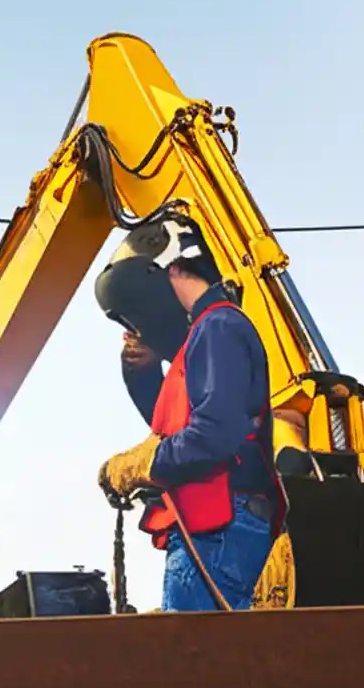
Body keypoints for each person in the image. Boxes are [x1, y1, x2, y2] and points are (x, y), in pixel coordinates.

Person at [98, 218, 285, 612]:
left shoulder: (217, 326)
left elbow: (213, 435)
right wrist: (142, 370)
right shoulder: (206, 333)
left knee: (198, 665)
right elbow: (172, 425)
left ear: (169, 270)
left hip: (218, 521)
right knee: (202, 661)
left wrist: (144, 464)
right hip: (211, 520)